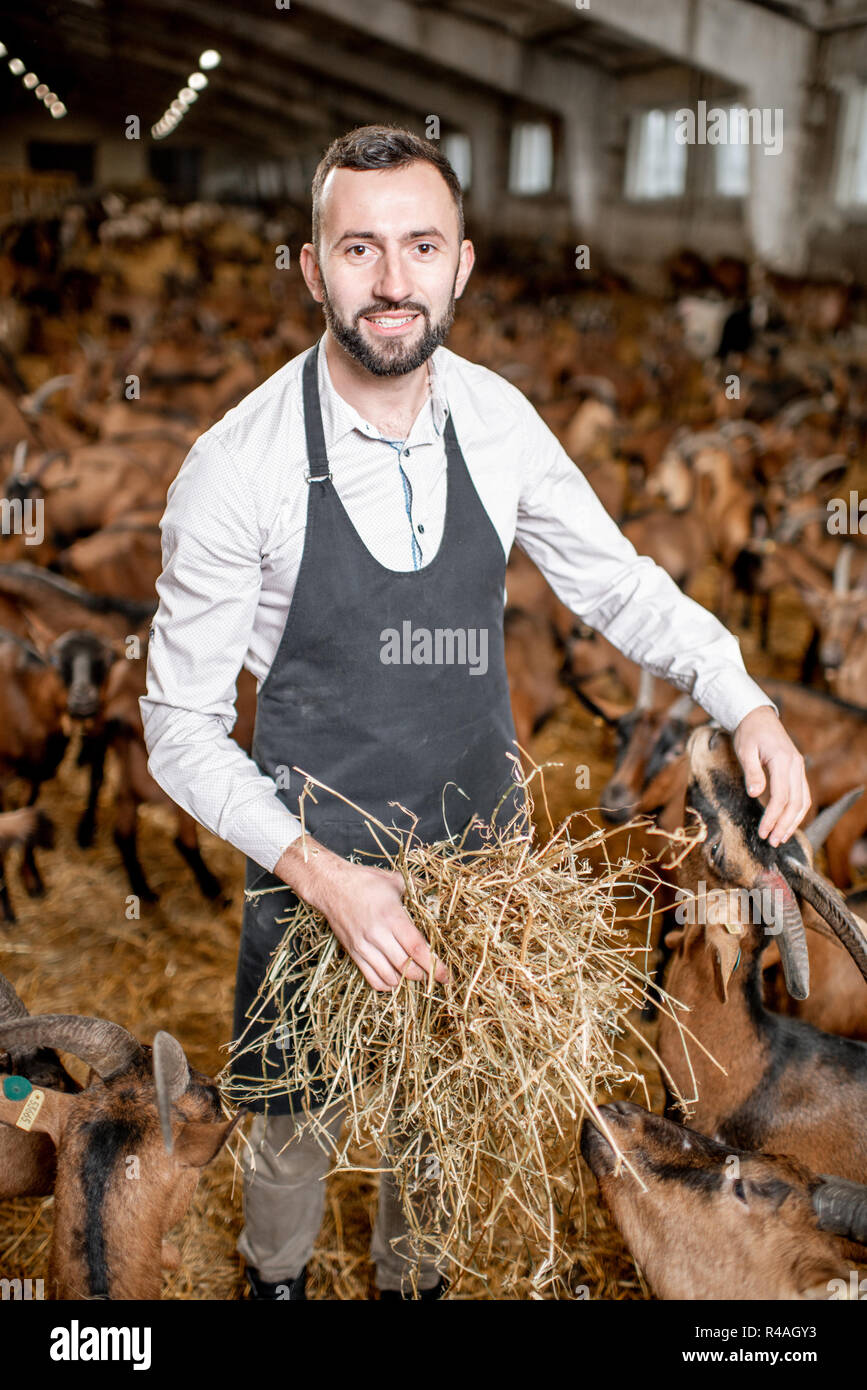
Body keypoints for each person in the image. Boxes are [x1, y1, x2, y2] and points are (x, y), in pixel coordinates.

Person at [140, 124, 810, 1301]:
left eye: (420, 247)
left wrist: (740, 691)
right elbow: (178, 725)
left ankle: (416, 1286)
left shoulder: (499, 423)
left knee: (447, 1101)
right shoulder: (233, 467)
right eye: (359, 250)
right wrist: (320, 873)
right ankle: (276, 1280)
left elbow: (614, 583)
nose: (392, 283)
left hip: (478, 864)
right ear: (312, 267)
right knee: (293, 1113)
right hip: (312, 866)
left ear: (462, 266)